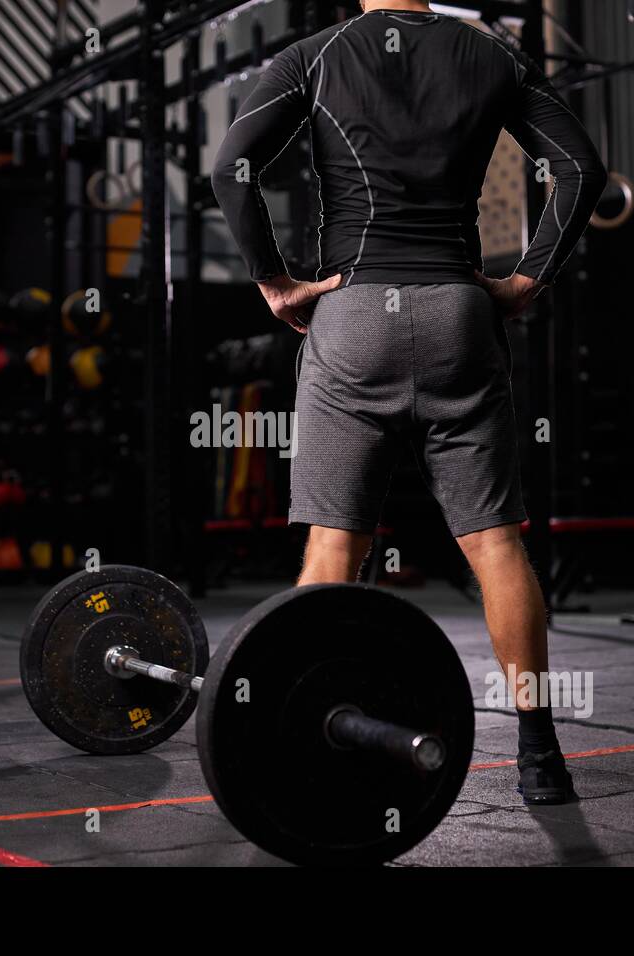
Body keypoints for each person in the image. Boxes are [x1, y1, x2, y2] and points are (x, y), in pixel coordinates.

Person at [211, 1, 606, 805]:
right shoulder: (491, 55)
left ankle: (307, 732)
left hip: (355, 314)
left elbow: (230, 168)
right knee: (496, 544)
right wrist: (529, 278)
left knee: (333, 546)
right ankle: (540, 756)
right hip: (461, 309)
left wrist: (272, 278)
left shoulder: (314, 55)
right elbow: (580, 170)